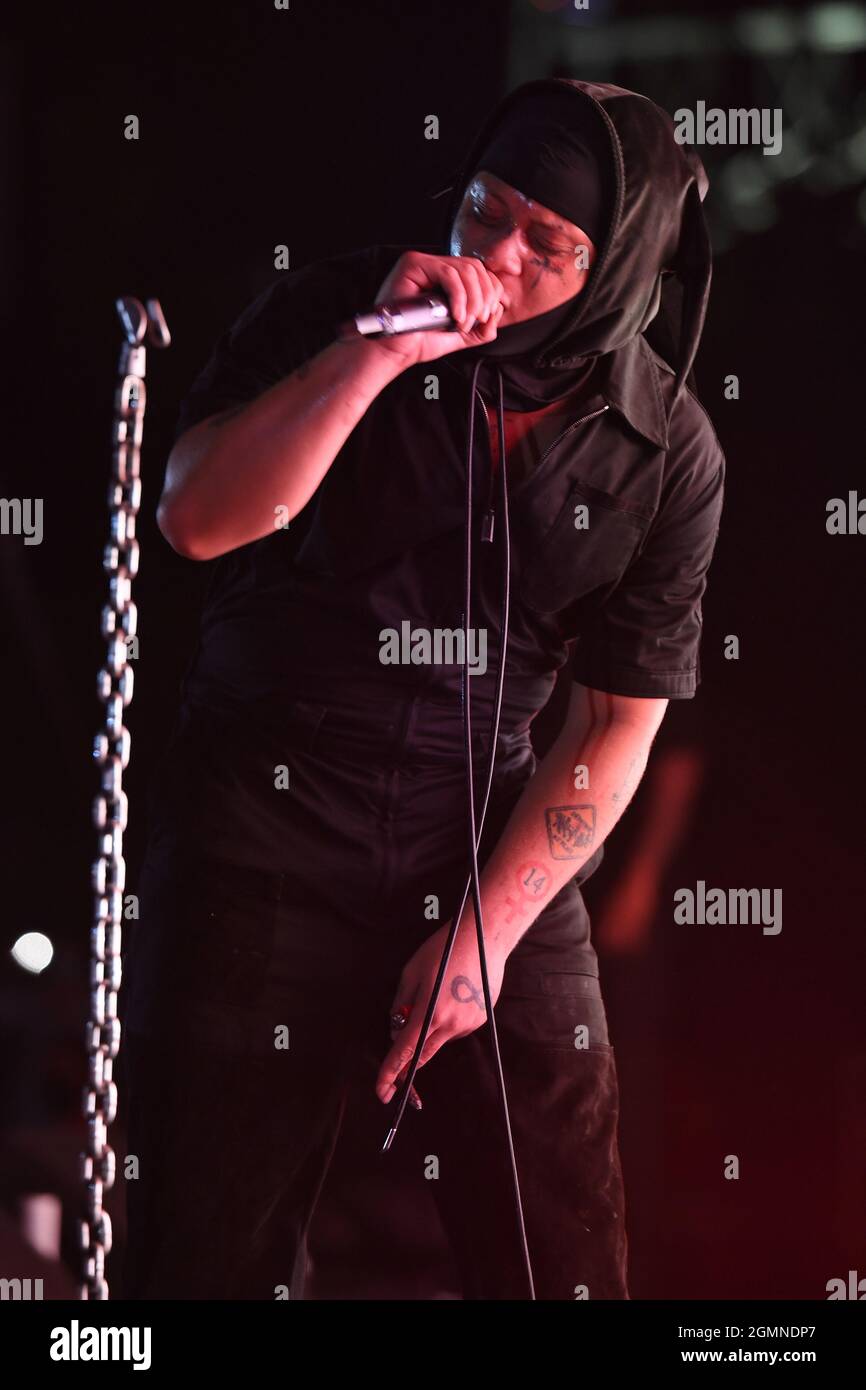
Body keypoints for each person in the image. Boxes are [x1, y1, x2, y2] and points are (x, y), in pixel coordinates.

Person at [120, 76, 726, 1301]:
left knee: (563, 1249)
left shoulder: (669, 451)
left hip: (483, 825)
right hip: (265, 811)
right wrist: (372, 357)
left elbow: (615, 727)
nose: (492, 257)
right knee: (207, 1252)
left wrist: (486, 934)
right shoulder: (339, 305)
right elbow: (195, 520)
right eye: (481, 209)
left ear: (613, 273)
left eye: (545, 245)